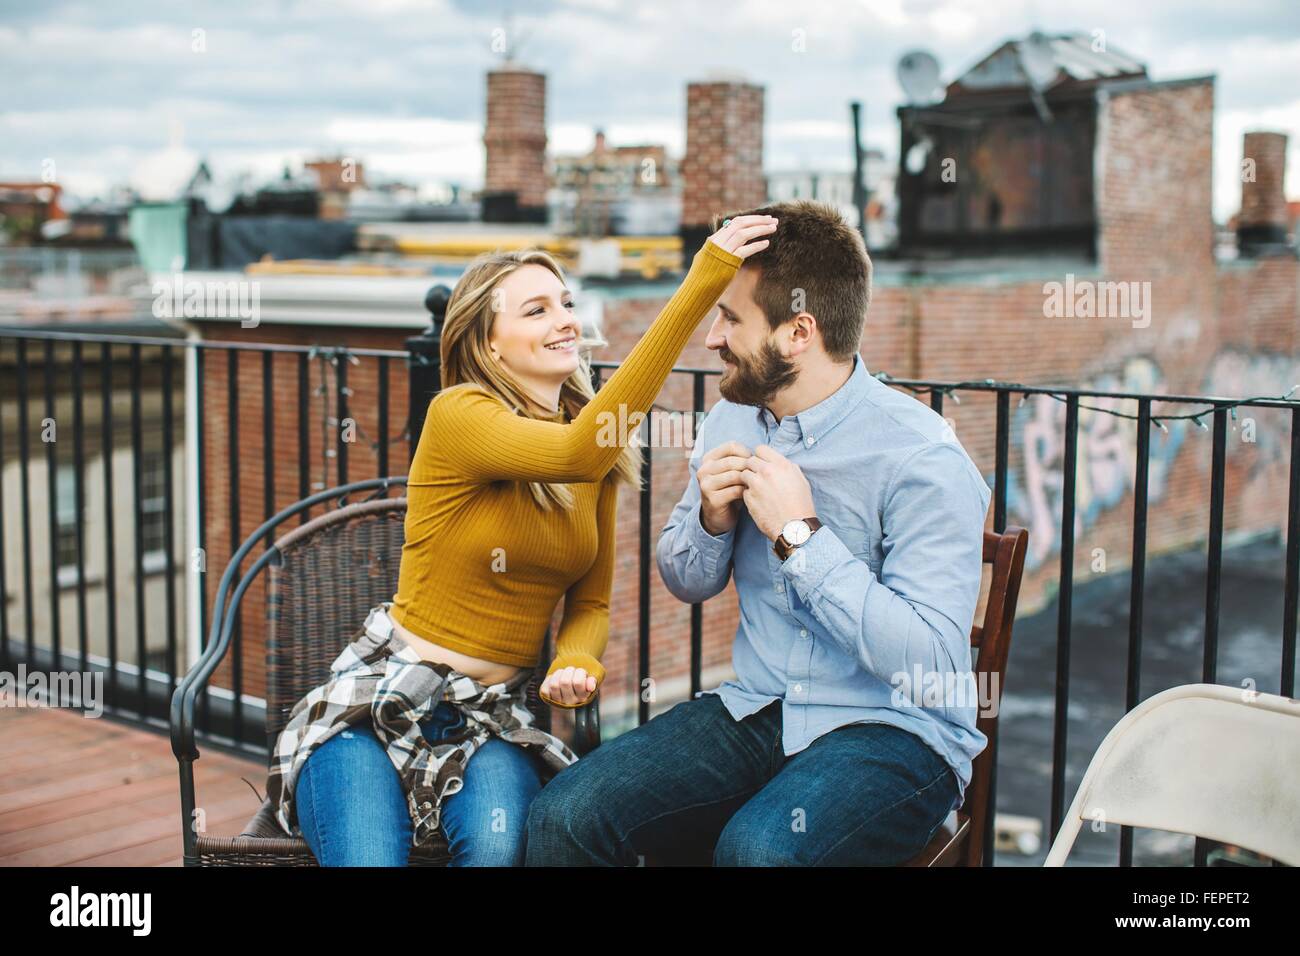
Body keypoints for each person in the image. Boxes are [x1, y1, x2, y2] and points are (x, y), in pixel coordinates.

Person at [269, 214, 776, 866]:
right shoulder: (459, 415)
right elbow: (574, 451)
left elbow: (590, 606)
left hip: (488, 720)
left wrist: (579, 662)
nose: (564, 319)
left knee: (498, 849)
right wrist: (701, 285)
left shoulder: (602, 462)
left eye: (566, 303)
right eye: (535, 310)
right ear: (489, 344)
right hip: (379, 698)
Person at [524, 199, 992, 866]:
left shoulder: (922, 458)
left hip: (893, 733)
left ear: (798, 332)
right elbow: (684, 579)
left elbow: (935, 670)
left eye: (730, 318)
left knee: (760, 850)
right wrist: (711, 523)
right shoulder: (731, 420)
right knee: (566, 815)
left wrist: (802, 538)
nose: (712, 338)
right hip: (756, 706)